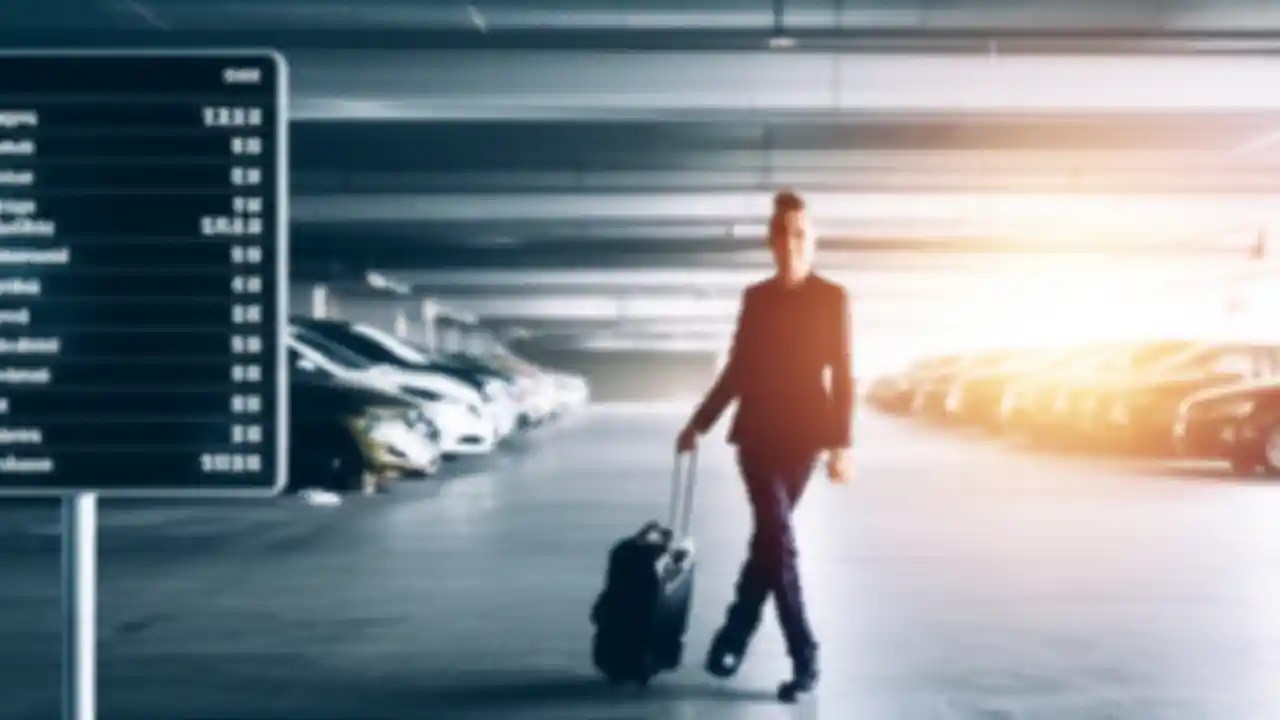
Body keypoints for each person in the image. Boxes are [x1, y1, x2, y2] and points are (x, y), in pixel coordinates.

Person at [676, 190, 854, 703]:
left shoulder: (832, 298)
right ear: (770, 241)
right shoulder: (756, 298)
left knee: (769, 542)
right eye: (782, 234)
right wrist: (699, 423)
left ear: (812, 240)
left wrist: (841, 446)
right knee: (777, 536)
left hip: (803, 439)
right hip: (755, 435)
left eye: (800, 234)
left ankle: (734, 635)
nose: (791, 243)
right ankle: (805, 654)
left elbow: (843, 374)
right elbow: (738, 368)